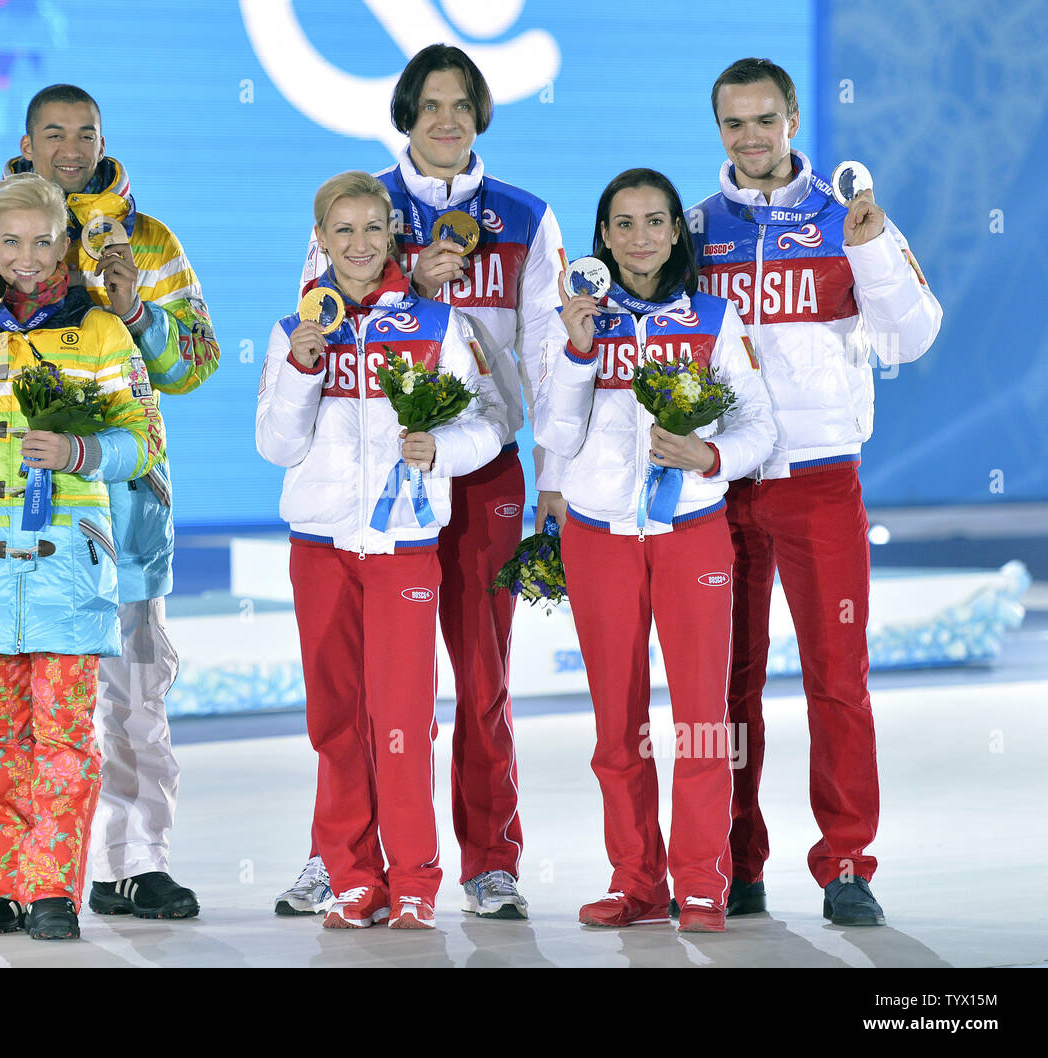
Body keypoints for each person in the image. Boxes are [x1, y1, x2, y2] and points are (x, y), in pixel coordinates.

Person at [0, 85, 220, 922]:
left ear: (104, 139)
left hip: (119, 502)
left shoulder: (148, 241)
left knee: (129, 691)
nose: (71, 148)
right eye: (55, 133)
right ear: (27, 140)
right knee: (1, 703)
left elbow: (196, 364)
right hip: (5, 516)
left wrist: (137, 311)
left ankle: (133, 861)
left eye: (86, 134)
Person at [277, 42, 564, 921]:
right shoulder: (360, 207)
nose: (447, 120)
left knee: (482, 675)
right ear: (405, 114)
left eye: (462, 104)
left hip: (477, 467)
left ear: (481, 114)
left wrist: (551, 473)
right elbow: (315, 326)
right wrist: (405, 278)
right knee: (358, 688)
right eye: (430, 104)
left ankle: (488, 859)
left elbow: (550, 355)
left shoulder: (524, 216)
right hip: (370, 480)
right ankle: (344, 856)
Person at [690, 58, 942, 925]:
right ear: (717, 130)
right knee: (725, 685)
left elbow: (912, 338)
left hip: (820, 482)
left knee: (838, 677)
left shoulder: (848, 219)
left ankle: (846, 865)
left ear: (793, 118)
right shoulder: (695, 232)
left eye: (766, 120)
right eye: (734, 125)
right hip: (719, 485)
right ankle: (733, 857)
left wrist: (871, 250)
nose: (752, 138)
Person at [257, 171, 507, 929]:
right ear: (320, 240)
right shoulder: (296, 328)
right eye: (344, 230)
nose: (360, 244)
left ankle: (414, 882)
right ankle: (353, 879)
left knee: (401, 720)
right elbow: (274, 445)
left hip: (402, 548)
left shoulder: (441, 325)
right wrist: (303, 367)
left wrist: (444, 449)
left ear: (394, 234)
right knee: (335, 722)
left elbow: (496, 421)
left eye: (374, 229)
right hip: (320, 548)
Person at [535, 169, 775, 933]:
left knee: (703, 720)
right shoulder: (572, 318)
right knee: (618, 723)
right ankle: (636, 880)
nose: (641, 237)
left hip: (693, 537)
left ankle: (702, 883)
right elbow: (556, 439)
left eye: (656, 222)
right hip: (600, 538)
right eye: (624, 223)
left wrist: (710, 459)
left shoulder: (715, 317)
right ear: (602, 235)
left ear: (677, 232)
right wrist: (576, 355)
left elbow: (760, 428)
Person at [0, 172, 152, 939]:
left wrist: (80, 449)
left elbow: (138, 442)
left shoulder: (102, 331)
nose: (25, 257)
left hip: (67, 563)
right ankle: (5, 882)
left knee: (65, 733)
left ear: (65, 245)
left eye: (42, 241)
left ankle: (52, 889)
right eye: (9, 242)